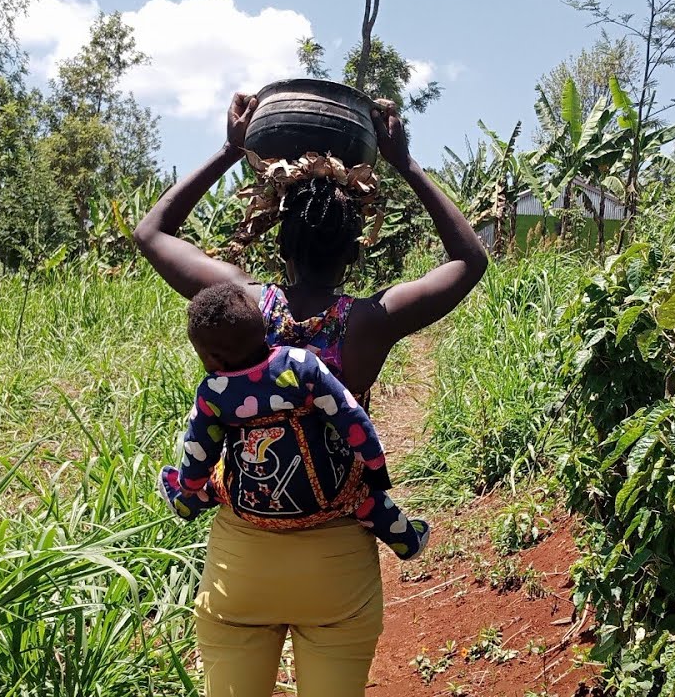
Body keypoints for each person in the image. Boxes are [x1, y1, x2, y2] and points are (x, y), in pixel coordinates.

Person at [134, 93, 487, 697]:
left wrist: (229, 150)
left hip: (242, 555)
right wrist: (406, 164)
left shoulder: (244, 304)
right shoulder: (369, 323)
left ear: (280, 245)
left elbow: (152, 232)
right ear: (354, 252)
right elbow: (470, 259)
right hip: (338, 557)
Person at [158, 282, 431, 559]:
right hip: (327, 501)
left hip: (252, 508)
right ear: (264, 329)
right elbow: (348, 414)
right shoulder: (299, 364)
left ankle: (186, 503)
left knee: (215, 480)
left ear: (212, 357)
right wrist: (374, 462)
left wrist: (189, 486)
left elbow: (198, 450)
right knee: (365, 498)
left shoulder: (212, 393)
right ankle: (407, 540)